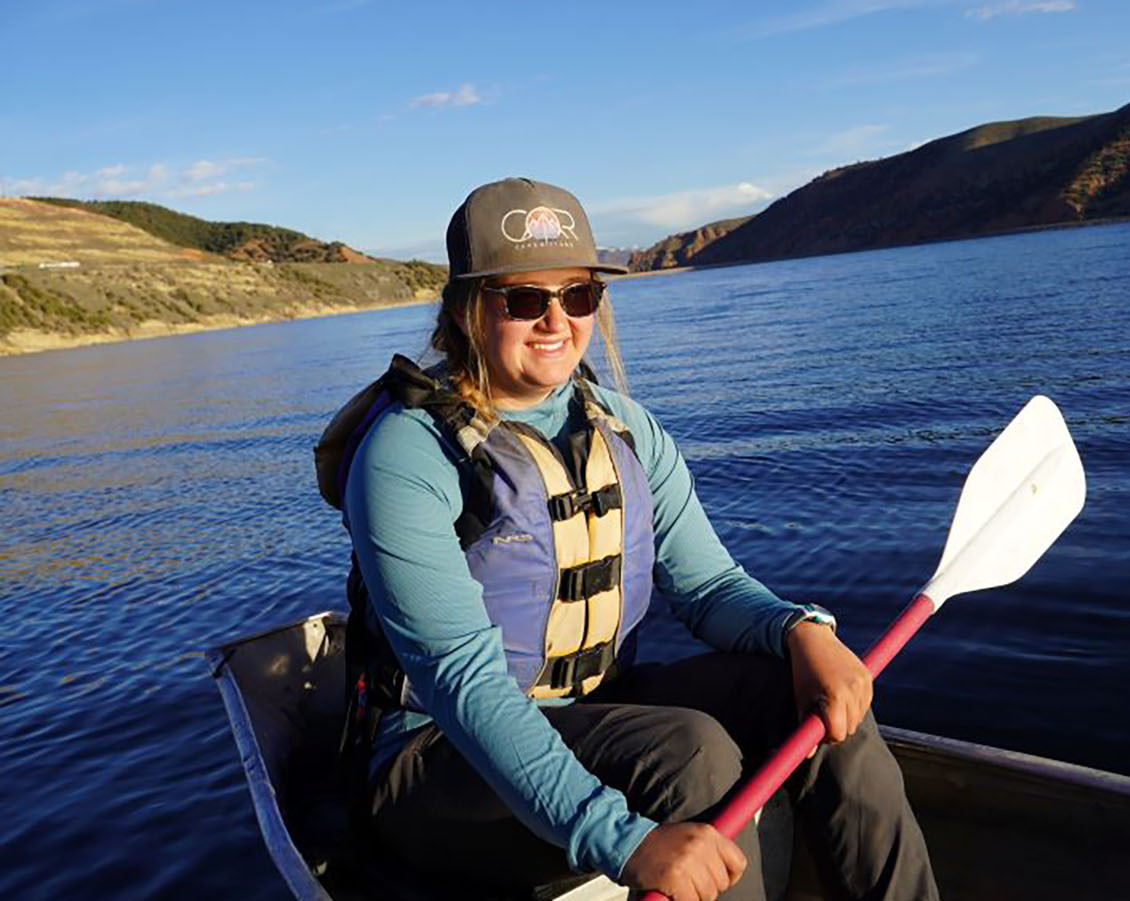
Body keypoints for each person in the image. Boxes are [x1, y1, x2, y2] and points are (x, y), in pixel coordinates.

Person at [314, 177, 938, 901]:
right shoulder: (406, 453)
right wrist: (624, 837)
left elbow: (709, 588)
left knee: (817, 695)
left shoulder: (624, 428)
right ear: (464, 307)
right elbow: (464, 683)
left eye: (577, 295)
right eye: (523, 298)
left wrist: (801, 630)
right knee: (690, 755)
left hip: (593, 710)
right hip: (435, 763)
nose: (556, 320)